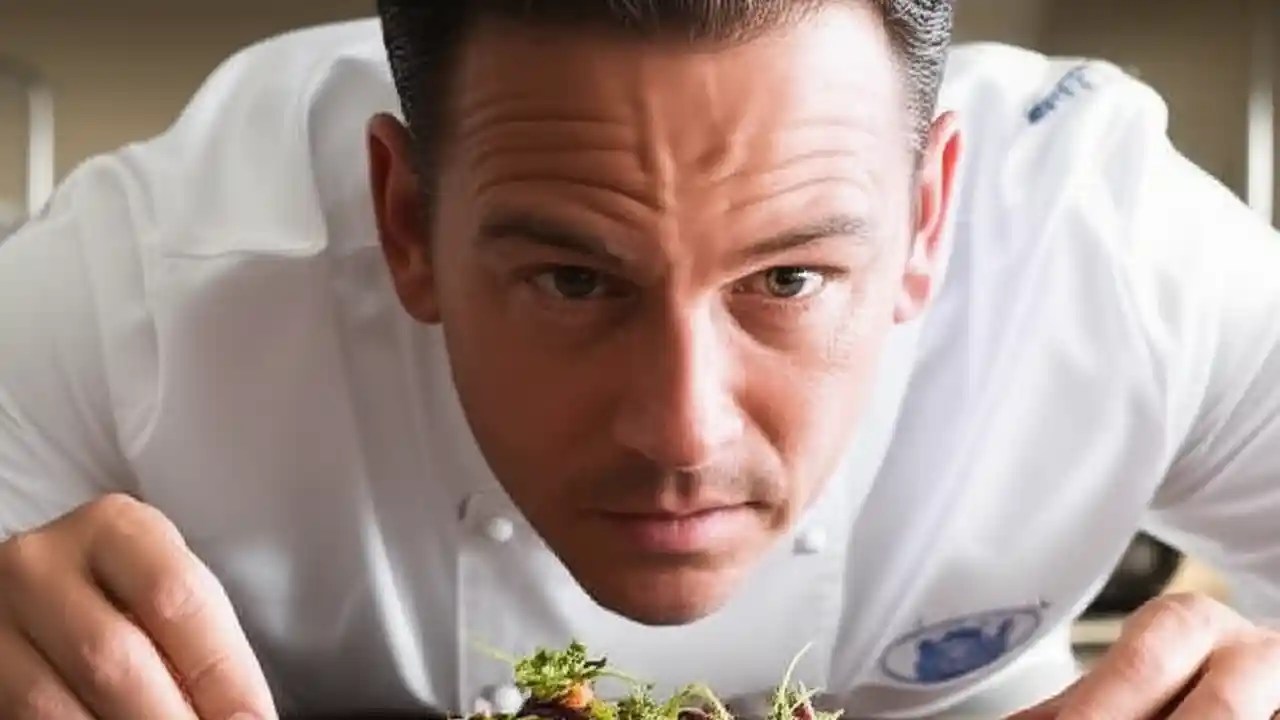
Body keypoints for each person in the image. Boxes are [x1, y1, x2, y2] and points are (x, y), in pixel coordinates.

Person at [1, 1, 1278, 717]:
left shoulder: (1122, 256)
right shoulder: (139, 289)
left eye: (787, 279)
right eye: (573, 281)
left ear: (927, 215)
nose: (680, 434)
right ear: (405, 221)